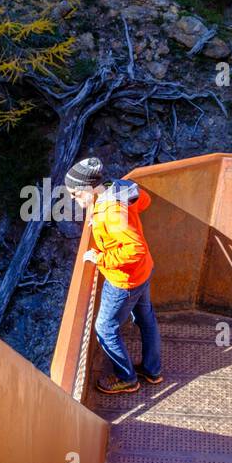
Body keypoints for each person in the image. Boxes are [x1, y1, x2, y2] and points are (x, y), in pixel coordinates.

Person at [65, 157, 163, 395]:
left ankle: (126, 378)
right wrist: (97, 220)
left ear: (88, 189)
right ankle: (153, 371)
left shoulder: (110, 213)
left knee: (105, 329)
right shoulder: (117, 188)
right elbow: (144, 201)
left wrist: (101, 259)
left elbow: (135, 249)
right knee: (145, 317)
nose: (73, 200)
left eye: (76, 195)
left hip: (124, 280)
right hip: (143, 272)